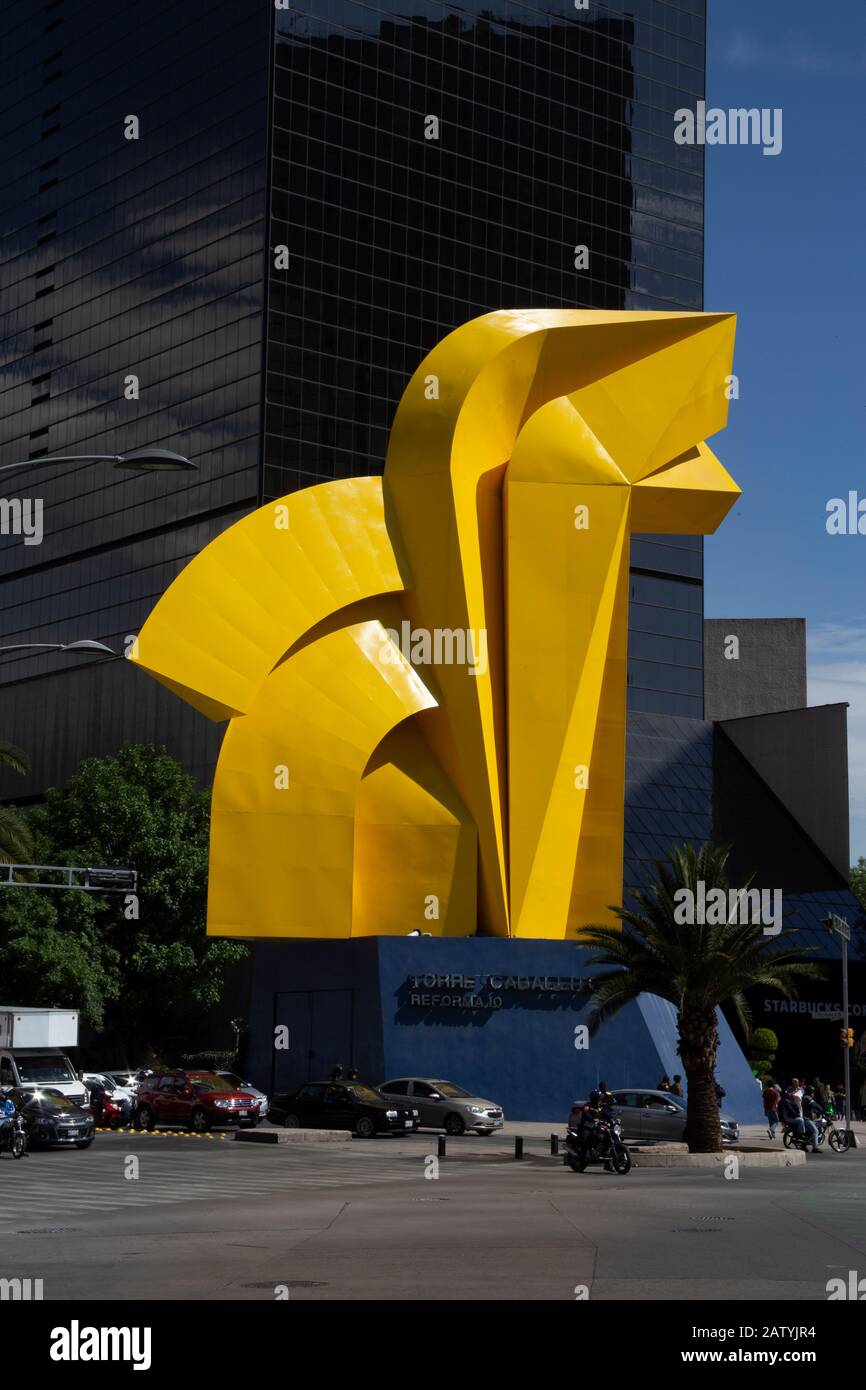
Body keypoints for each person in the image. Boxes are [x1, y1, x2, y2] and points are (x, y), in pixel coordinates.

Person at [779, 1083, 820, 1153]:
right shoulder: (786, 1101)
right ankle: (802, 1135)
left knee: (806, 1121)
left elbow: (795, 1108)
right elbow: (791, 1109)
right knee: (802, 1121)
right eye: (788, 1093)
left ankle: (804, 1143)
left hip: (791, 1117)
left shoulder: (788, 1100)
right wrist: (797, 1115)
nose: (790, 1094)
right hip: (789, 1118)